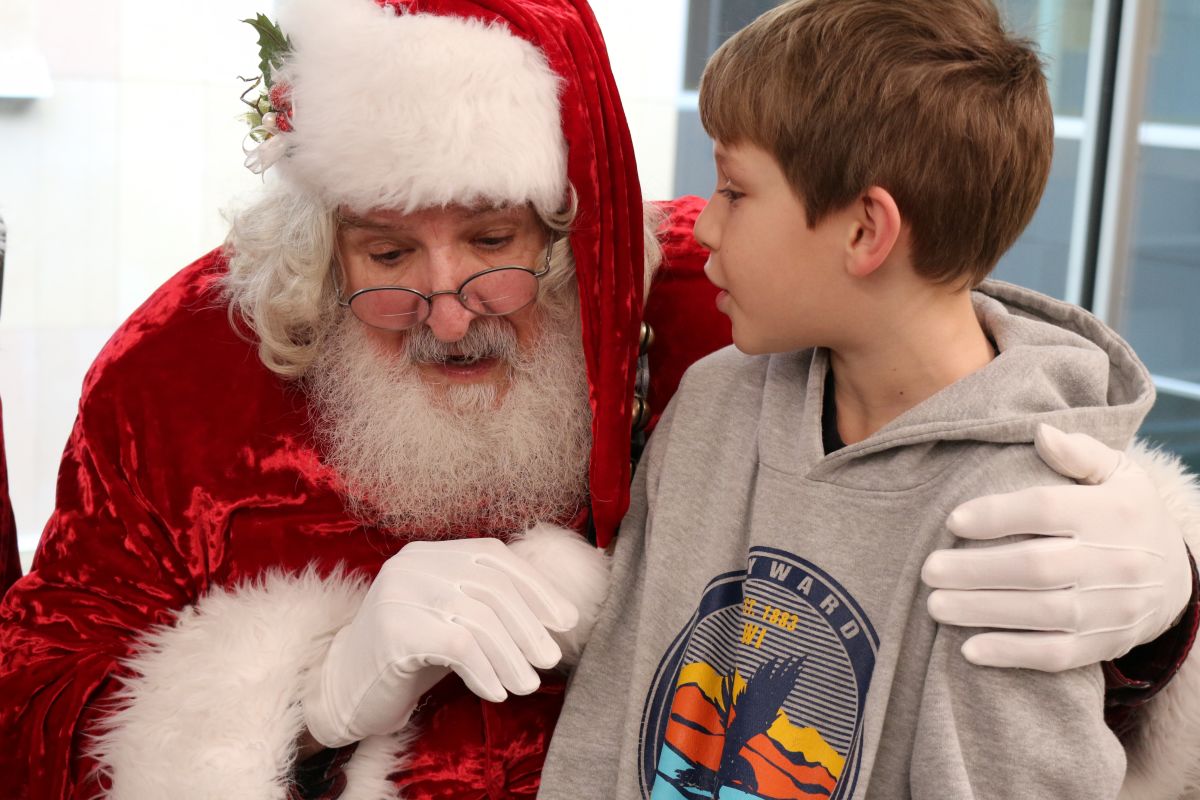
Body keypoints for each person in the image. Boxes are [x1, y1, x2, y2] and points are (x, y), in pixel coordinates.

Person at [0, 0, 1196, 798]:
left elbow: (942, 335)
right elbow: (31, 703)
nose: (449, 305)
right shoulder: (179, 374)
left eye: (491, 236)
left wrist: (1166, 592)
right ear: (318, 244)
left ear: (578, 231)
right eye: (383, 253)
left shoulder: (720, 314)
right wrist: (307, 699)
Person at [539, 1, 1200, 798]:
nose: (704, 226)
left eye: (733, 190)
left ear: (864, 232)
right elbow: (612, 702)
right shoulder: (713, 403)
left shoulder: (1016, 512)